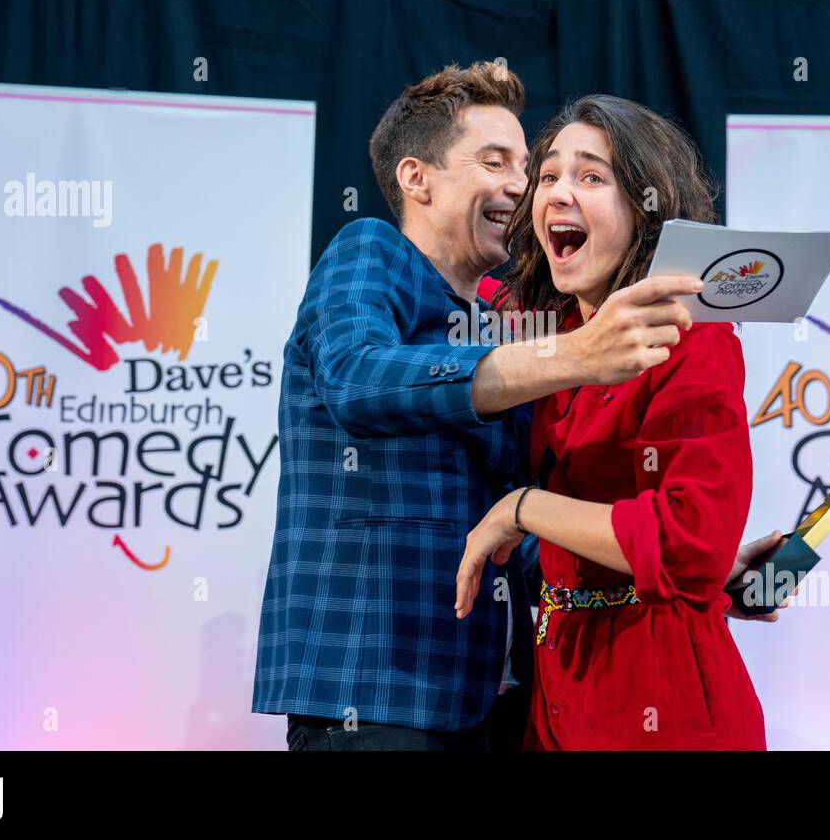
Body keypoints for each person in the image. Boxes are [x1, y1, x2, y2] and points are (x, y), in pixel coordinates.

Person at [252, 62, 718, 751]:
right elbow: (358, 379)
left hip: (502, 706)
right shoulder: (371, 252)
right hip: (377, 697)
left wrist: (685, 556)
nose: (521, 185)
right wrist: (576, 357)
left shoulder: (508, 324)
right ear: (418, 178)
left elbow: (516, 533)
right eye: (494, 161)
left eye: (524, 166)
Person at [456, 94, 771, 750]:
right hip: (559, 690)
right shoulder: (550, 334)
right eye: (547, 177)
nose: (557, 194)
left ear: (645, 208)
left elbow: (688, 542)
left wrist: (522, 508)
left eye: (590, 176)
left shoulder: (692, 334)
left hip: (661, 697)